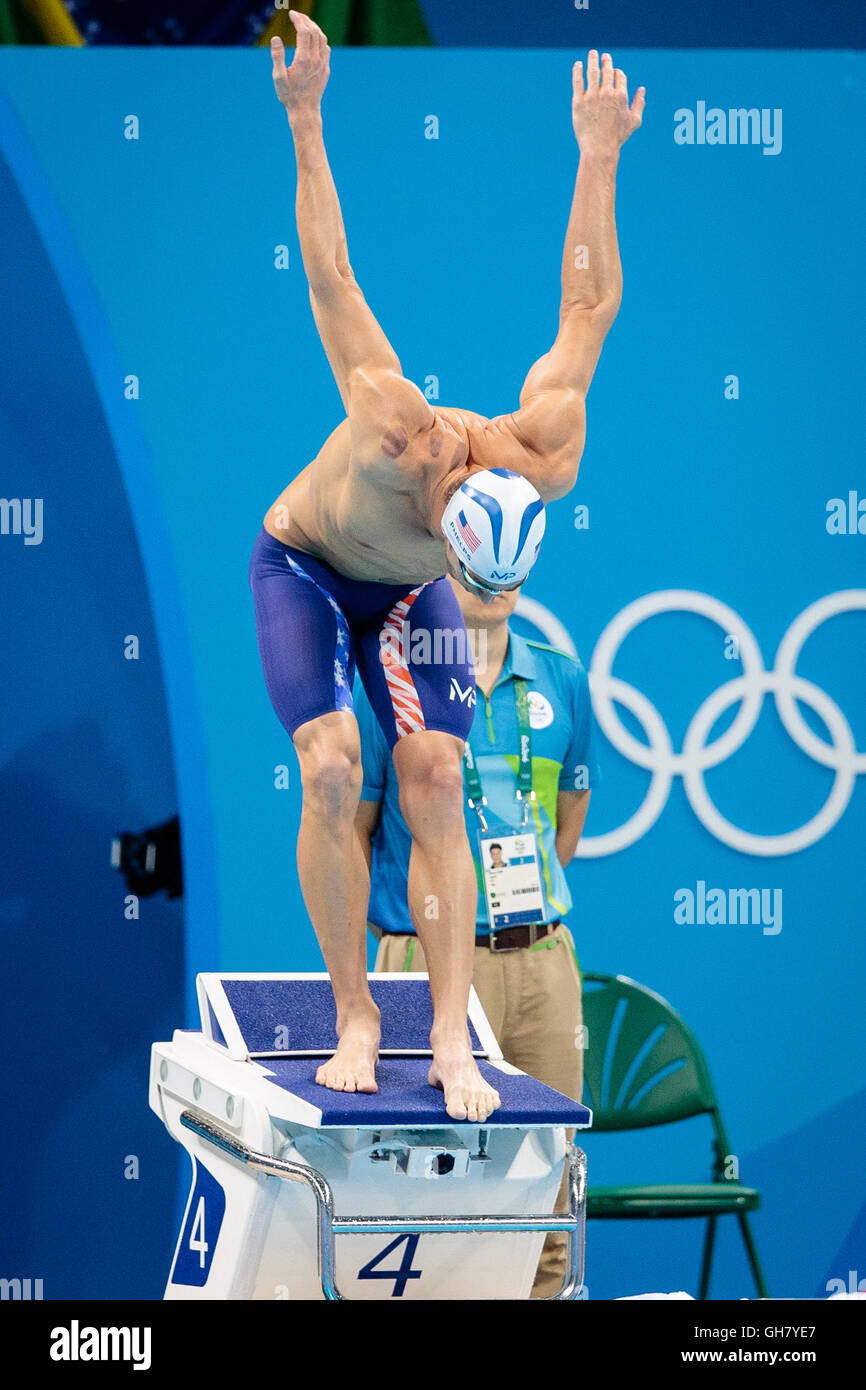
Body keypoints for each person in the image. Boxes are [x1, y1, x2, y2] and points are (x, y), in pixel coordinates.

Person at [248, 8, 643, 1122]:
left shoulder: (541, 446)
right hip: (310, 570)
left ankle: (455, 1048)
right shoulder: (391, 422)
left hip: (397, 594)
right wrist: (305, 117)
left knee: (435, 779)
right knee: (331, 769)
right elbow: (328, 273)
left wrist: (598, 154)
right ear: (447, 506)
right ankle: (360, 1013)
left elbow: (588, 302)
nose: (492, 609)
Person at [355, 578, 599, 1296]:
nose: (496, 577)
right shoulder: (390, 678)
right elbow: (357, 834)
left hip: (544, 963)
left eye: (513, 557)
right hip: (424, 966)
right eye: (475, 556)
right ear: (436, 562)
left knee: (551, 1205)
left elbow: (567, 824)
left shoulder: (563, 679)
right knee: (422, 1201)